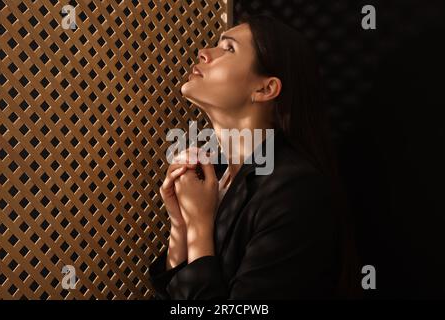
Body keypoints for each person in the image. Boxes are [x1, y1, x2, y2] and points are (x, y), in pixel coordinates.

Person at [148, 14, 358, 299]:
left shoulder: (295, 190)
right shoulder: (215, 177)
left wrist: (198, 224)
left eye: (228, 48)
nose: (204, 53)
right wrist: (181, 225)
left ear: (265, 88)